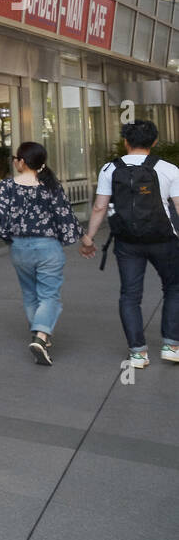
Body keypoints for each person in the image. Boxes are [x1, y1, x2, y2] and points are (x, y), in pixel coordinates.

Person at [0, 142, 85, 366]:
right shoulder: (51, 185)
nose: (14, 161)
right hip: (47, 247)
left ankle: (39, 334)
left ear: (22, 161)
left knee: (30, 293)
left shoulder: (7, 185)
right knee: (50, 295)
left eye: (16, 158)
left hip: (19, 248)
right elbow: (66, 216)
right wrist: (86, 240)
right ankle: (41, 336)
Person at [81, 120, 179, 368]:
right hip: (164, 239)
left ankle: (138, 353)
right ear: (154, 141)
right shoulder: (169, 169)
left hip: (127, 242)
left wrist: (89, 238)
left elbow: (100, 207)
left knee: (130, 295)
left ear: (126, 141)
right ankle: (171, 346)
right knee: (174, 288)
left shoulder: (109, 169)